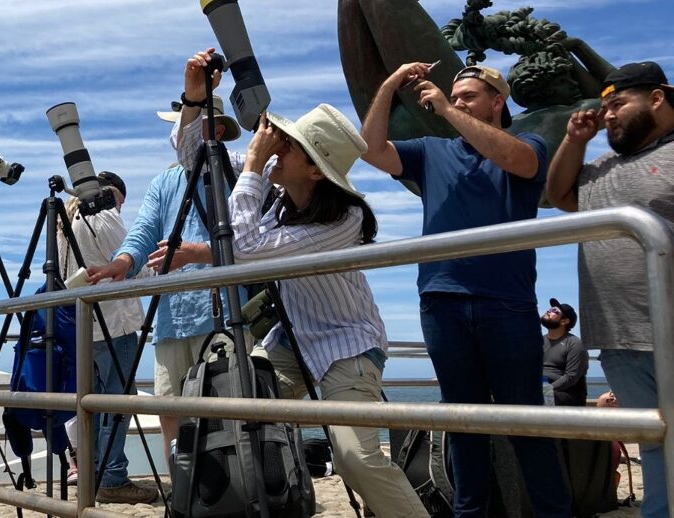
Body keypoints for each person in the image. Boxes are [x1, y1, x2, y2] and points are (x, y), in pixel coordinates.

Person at [168, 76, 429, 515]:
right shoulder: (281, 192)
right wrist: (195, 98)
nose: (276, 148)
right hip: (291, 343)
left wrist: (253, 164)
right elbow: (196, 158)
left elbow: (244, 250)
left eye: (288, 145)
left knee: (355, 459)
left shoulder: (343, 219)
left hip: (347, 347)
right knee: (229, 415)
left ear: (315, 170)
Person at [360, 62, 572, 516]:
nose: (458, 102)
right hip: (442, 301)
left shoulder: (529, 143)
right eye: (454, 97)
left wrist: (446, 110)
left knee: (526, 423)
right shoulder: (430, 151)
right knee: (462, 423)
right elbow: (371, 150)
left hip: (506, 303)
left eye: (468, 96)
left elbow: (519, 162)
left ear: (497, 102)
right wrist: (392, 83)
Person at [86, 55, 249, 461]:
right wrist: (123, 262)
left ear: (215, 129)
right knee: (170, 409)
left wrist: (198, 255)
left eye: (187, 125)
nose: (179, 134)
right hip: (171, 318)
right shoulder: (164, 181)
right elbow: (143, 230)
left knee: (227, 411)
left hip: (224, 312)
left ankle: (230, 486)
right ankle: (183, 485)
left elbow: (252, 240)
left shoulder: (239, 172)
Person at [545, 60, 674, 518]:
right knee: (653, 443)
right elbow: (559, 195)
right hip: (619, 339)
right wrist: (574, 140)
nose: (609, 115)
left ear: (656, 98)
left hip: (669, 332)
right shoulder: (599, 168)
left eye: (619, 103)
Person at [56, 172, 157, 504]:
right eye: (121, 203)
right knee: (118, 402)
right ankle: (112, 477)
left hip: (82, 327)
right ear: (114, 194)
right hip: (115, 324)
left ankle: (92, 472)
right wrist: (162, 265)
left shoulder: (65, 222)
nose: (120, 209)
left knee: (93, 404)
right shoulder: (103, 214)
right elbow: (129, 263)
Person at [540, 298, 588, 407]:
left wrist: (546, 389)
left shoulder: (575, 344)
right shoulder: (538, 341)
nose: (548, 311)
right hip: (541, 388)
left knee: (537, 397)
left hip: (566, 393)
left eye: (554, 311)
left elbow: (570, 378)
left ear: (564, 321)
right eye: (550, 309)